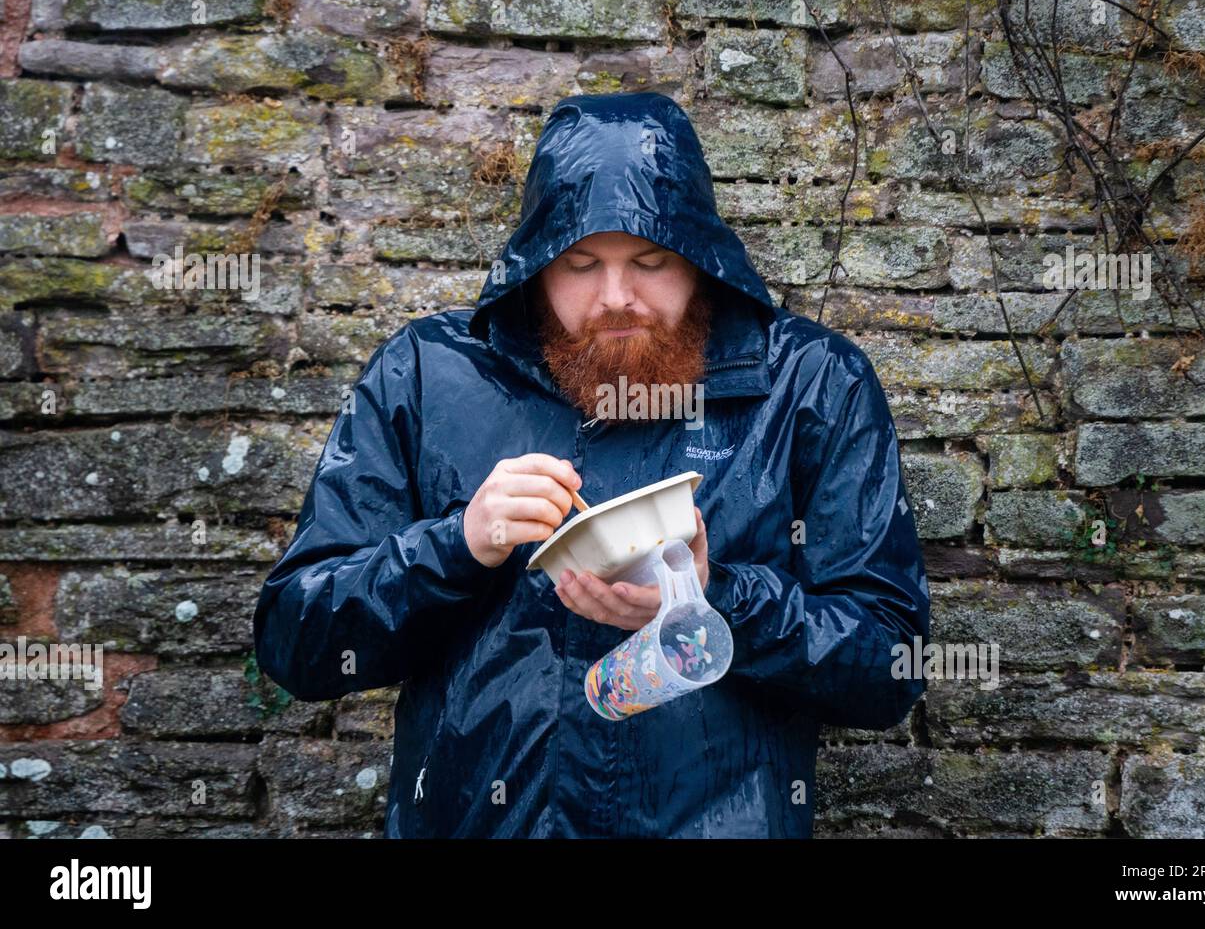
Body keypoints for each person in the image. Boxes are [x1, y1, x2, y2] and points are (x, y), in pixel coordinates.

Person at [253, 91, 930, 838]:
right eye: (580, 264)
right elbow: (297, 642)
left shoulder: (810, 382)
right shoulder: (427, 373)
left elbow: (891, 666)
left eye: (650, 261)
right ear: (535, 263)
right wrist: (455, 544)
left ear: (701, 259)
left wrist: (717, 599)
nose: (616, 298)